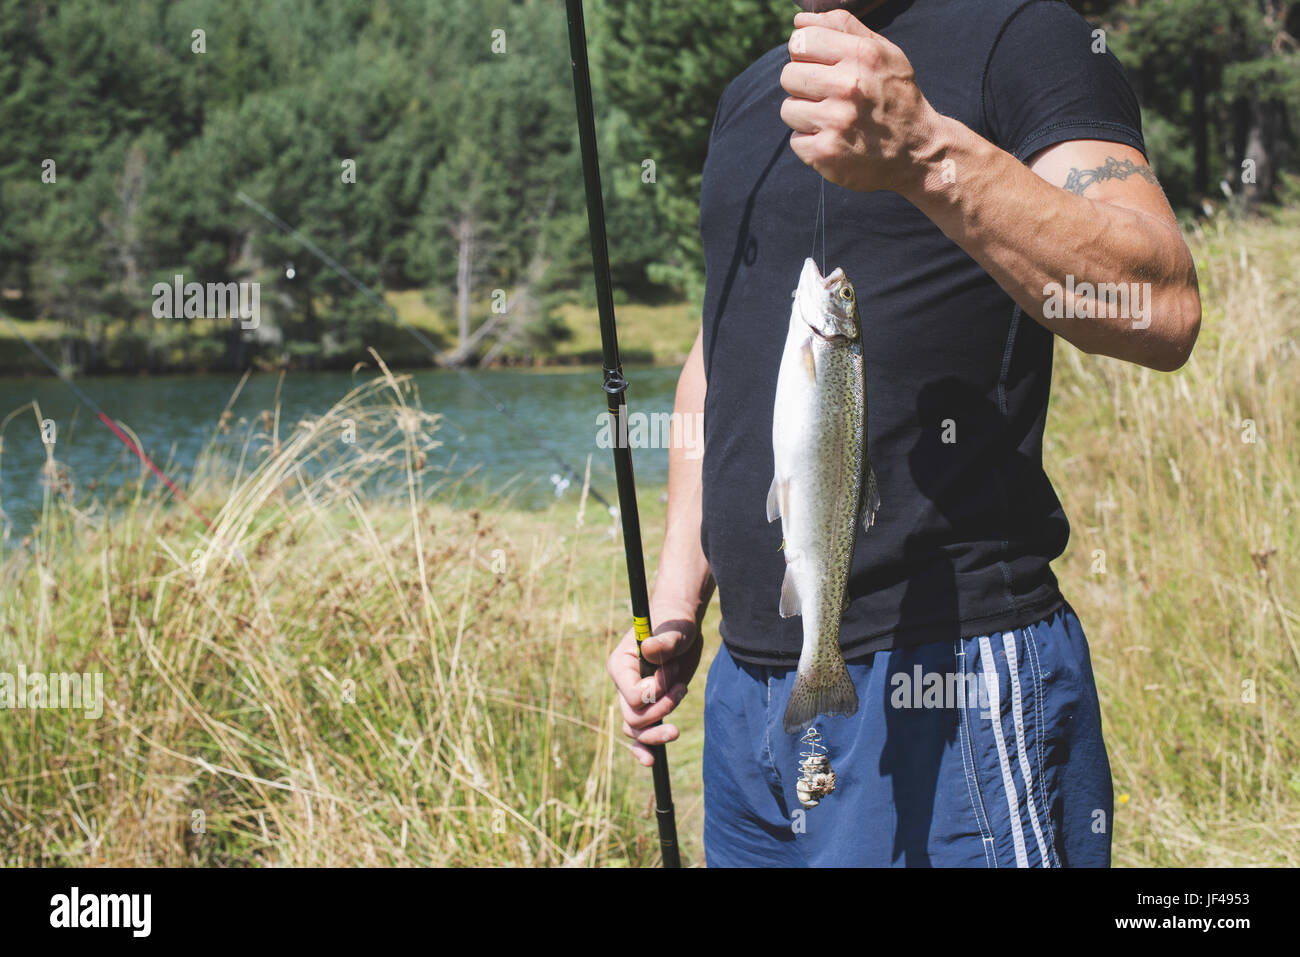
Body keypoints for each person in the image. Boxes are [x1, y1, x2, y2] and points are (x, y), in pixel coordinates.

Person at [606, 0, 1200, 866]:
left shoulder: (1024, 36)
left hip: (949, 678)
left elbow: (1163, 305)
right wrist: (672, 602)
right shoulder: (752, 96)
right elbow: (725, 358)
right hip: (747, 696)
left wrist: (928, 152)